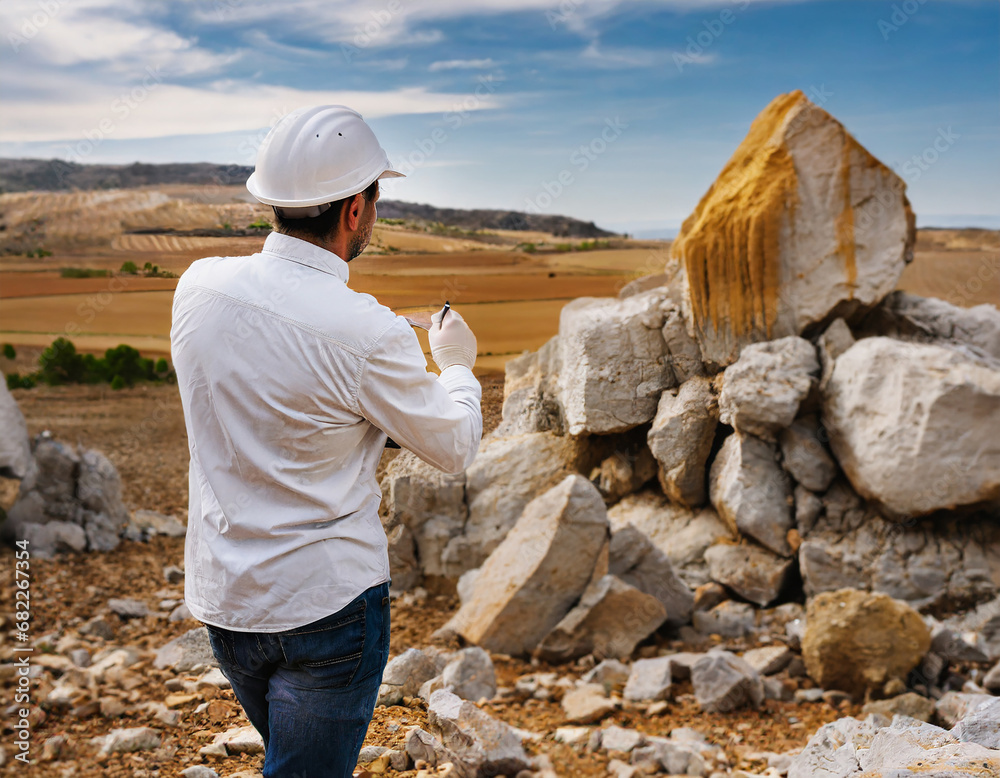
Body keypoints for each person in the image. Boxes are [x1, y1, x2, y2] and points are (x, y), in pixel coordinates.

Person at [170, 105, 483, 776]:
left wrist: (371, 345)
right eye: (375, 197)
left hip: (228, 604)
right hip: (327, 611)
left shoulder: (196, 286)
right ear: (353, 211)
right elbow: (455, 446)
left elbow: (278, 347)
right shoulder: (369, 336)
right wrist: (455, 362)